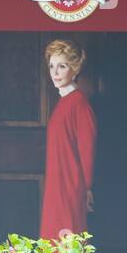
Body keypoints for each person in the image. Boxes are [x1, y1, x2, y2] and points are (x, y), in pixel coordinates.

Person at [40, 39, 97, 241]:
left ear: (74, 68)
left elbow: (87, 149)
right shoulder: (64, 102)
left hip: (71, 184)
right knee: (53, 238)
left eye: (62, 66)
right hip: (56, 183)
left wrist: (86, 187)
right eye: (52, 66)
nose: (55, 72)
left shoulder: (79, 104)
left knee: (66, 237)